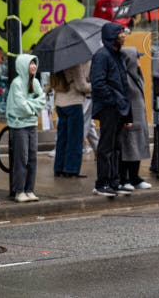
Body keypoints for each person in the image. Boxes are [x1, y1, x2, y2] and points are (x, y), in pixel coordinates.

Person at [90, 23, 132, 197]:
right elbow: (98, 83)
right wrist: (114, 100)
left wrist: (124, 107)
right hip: (109, 108)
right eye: (119, 32)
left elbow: (122, 82)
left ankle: (115, 182)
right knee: (106, 146)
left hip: (119, 108)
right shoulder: (101, 56)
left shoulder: (118, 55)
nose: (123, 35)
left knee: (116, 147)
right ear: (111, 36)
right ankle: (102, 183)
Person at [6, 54, 46, 203]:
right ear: (23, 65)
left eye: (35, 63)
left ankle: (30, 189)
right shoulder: (17, 83)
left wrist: (30, 107)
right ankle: (19, 191)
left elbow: (41, 99)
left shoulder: (35, 82)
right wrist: (33, 109)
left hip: (32, 124)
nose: (34, 66)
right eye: (31, 63)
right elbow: (20, 105)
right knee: (21, 158)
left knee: (32, 157)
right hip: (19, 125)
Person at [119, 47, 151, 190]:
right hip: (130, 119)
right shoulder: (124, 76)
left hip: (139, 117)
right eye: (137, 57)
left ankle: (135, 178)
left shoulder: (136, 74)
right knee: (128, 149)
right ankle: (124, 179)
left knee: (137, 147)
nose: (139, 60)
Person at [52, 60, 91, 178]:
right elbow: (81, 86)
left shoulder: (57, 62)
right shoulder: (75, 62)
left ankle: (59, 168)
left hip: (60, 103)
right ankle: (71, 169)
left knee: (62, 138)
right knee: (75, 138)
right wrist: (94, 86)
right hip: (73, 103)